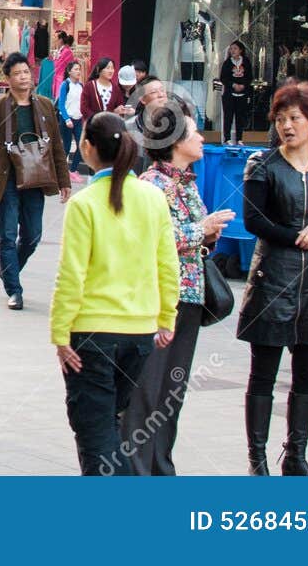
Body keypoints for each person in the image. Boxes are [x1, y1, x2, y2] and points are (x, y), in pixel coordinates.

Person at [49, 111, 179, 476]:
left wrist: (60, 334)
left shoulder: (85, 203)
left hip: (92, 334)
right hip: (139, 334)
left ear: (87, 148)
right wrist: (166, 318)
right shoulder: (153, 198)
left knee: (95, 434)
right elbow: (168, 265)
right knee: (108, 425)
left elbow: (72, 275)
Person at [238, 83, 308, 476]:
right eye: (281, 119)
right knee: (263, 374)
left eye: (295, 119)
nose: (287, 126)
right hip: (273, 279)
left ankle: (296, 455)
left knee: (307, 372)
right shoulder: (262, 165)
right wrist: (298, 237)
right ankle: (257, 459)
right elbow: (254, 220)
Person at [120, 114, 232, 474]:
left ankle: (160, 467)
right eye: (194, 131)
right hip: (161, 299)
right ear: (174, 140)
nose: (201, 137)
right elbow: (150, 241)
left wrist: (206, 234)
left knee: (171, 393)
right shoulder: (151, 184)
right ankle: (136, 470)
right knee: (147, 391)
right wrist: (201, 229)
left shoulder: (186, 183)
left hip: (191, 298)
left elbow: (187, 239)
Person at [0, 52, 73, 310]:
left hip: (36, 180)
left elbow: (57, 148)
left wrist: (64, 181)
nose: (23, 77)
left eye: (26, 72)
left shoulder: (46, 106)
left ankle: (8, 269)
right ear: (8, 78)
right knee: (7, 235)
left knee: (32, 236)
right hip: (7, 181)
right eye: (17, 73)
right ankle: (14, 290)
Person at [218, 40, 253, 145]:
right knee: (228, 116)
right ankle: (227, 138)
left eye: (235, 48)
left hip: (242, 94)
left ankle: (239, 138)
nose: (232, 51)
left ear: (240, 50)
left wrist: (243, 85)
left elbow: (249, 77)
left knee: (240, 117)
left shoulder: (246, 61)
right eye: (231, 49)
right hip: (229, 94)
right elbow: (223, 78)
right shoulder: (227, 63)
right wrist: (233, 85)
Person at [55, 60, 85, 173]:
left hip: (78, 120)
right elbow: (61, 104)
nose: (78, 72)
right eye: (76, 69)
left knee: (81, 146)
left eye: (79, 69)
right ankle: (60, 171)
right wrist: (67, 119)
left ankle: (72, 170)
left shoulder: (81, 86)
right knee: (66, 148)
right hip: (66, 120)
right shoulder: (65, 84)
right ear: (69, 71)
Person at [80, 58, 124, 122]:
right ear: (99, 69)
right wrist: (97, 119)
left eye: (112, 68)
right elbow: (84, 108)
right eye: (107, 68)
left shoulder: (116, 88)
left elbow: (120, 106)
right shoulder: (89, 86)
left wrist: (122, 110)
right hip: (93, 126)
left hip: (110, 126)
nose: (111, 71)